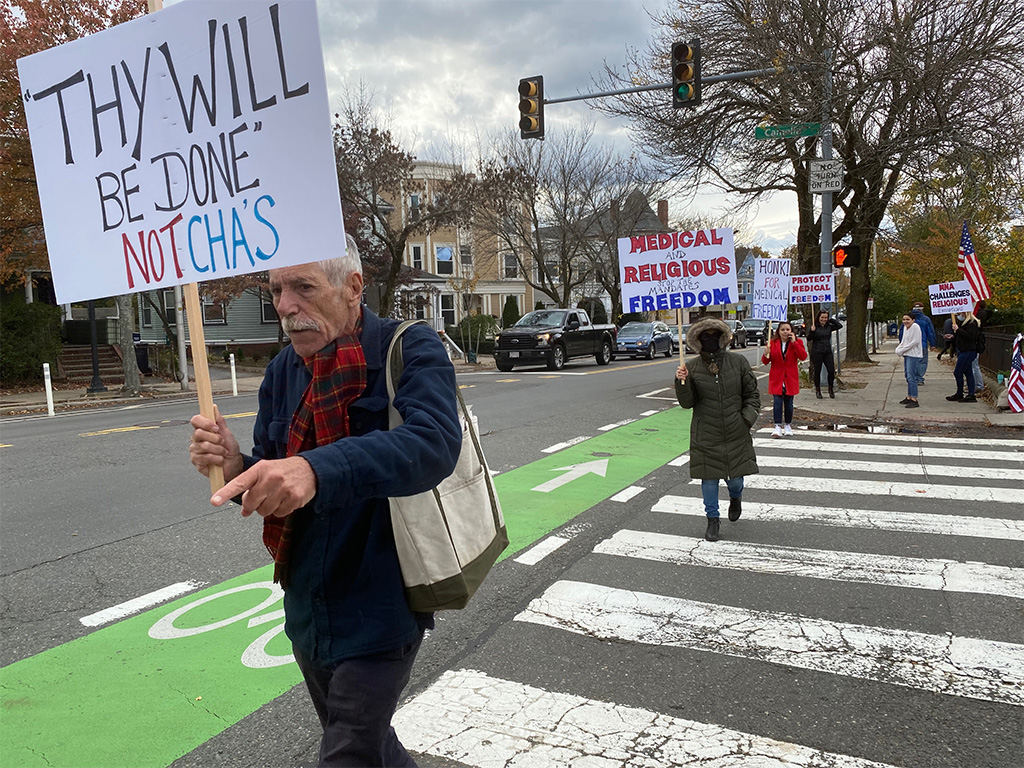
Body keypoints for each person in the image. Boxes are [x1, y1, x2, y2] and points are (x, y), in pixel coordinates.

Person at [188, 236, 462, 768]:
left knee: (349, 753)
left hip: (383, 605)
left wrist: (316, 468)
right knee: (370, 746)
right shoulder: (282, 371)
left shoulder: (410, 348)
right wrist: (235, 464)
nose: (286, 306)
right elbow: (274, 478)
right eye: (276, 290)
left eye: (303, 287)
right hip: (308, 607)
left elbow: (434, 445)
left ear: (353, 287)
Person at [675, 317, 760, 542]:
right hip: (706, 433)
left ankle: (736, 497)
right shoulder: (691, 367)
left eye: (715, 335)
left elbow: (752, 394)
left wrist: (746, 420)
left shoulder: (738, 362)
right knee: (709, 480)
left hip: (736, 430)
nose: (710, 340)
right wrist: (681, 382)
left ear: (723, 338)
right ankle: (712, 519)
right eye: (705, 336)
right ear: (698, 341)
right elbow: (687, 403)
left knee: (735, 480)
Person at [761, 320, 808, 436]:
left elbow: (803, 356)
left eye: (787, 329)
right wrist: (766, 353)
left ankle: (788, 425)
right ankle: (777, 425)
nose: (785, 332)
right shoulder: (773, 343)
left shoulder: (797, 342)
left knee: (789, 403)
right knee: (777, 403)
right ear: (778, 331)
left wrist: (794, 343)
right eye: (782, 330)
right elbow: (765, 361)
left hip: (790, 378)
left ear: (791, 331)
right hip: (777, 377)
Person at [947, 310, 983, 403]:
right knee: (968, 372)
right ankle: (970, 394)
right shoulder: (966, 323)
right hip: (964, 350)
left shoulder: (972, 323)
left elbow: (970, 337)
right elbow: (962, 336)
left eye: (960, 313)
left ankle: (960, 393)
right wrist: (953, 336)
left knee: (958, 372)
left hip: (969, 351)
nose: (959, 315)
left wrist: (958, 329)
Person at [806, 309, 842, 399]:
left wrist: (831, 320)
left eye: (826, 317)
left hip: (827, 351)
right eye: (822, 317)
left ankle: (830, 389)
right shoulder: (814, 326)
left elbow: (839, 326)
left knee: (831, 370)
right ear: (819, 317)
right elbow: (809, 338)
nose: (824, 319)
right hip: (817, 352)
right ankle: (818, 390)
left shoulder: (829, 326)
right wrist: (812, 331)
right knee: (817, 371)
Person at [894, 313, 923, 408]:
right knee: (907, 376)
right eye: (904, 319)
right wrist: (898, 349)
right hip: (907, 354)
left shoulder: (915, 327)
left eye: (908, 319)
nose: (905, 321)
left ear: (913, 320)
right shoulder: (905, 328)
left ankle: (914, 398)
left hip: (914, 355)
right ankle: (909, 396)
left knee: (911, 377)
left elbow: (915, 342)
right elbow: (904, 341)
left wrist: (902, 350)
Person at [908, 303, 937, 384]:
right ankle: (919, 378)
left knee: (911, 361)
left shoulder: (908, 319)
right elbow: (930, 333)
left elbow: (902, 332)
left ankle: (911, 377)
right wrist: (932, 344)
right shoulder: (926, 319)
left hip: (910, 345)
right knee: (922, 361)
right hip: (922, 344)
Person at [972, 300, 992, 391]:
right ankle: (975, 384)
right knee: (974, 365)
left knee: (974, 365)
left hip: (976, 341)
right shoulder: (984, 314)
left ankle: (978, 385)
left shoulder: (979, 315)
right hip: (978, 340)